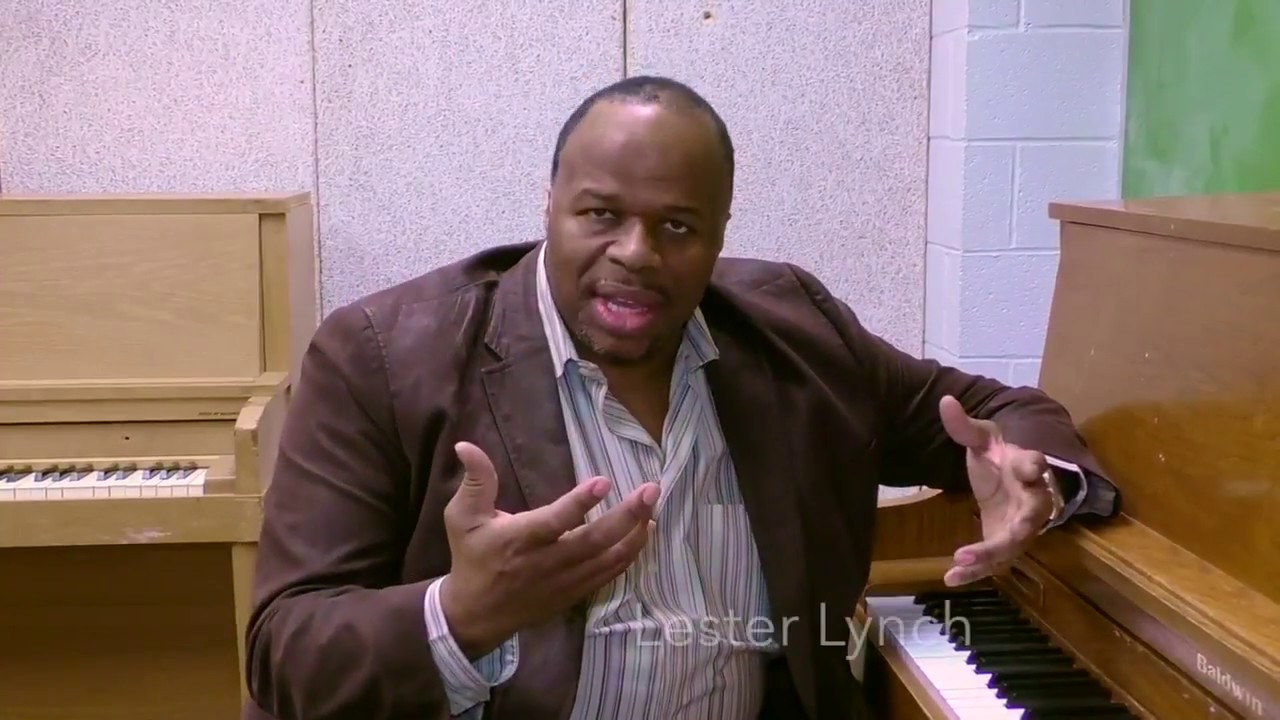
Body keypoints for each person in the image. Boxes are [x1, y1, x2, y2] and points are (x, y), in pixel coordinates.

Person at [242, 75, 1118, 720]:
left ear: (720, 232)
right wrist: (464, 613)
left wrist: (1034, 475)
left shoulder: (796, 334)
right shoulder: (384, 358)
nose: (636, 252)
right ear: (548, 205)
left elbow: (1002, 413)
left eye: (677, 226)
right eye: (600, 214)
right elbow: (285, 656)